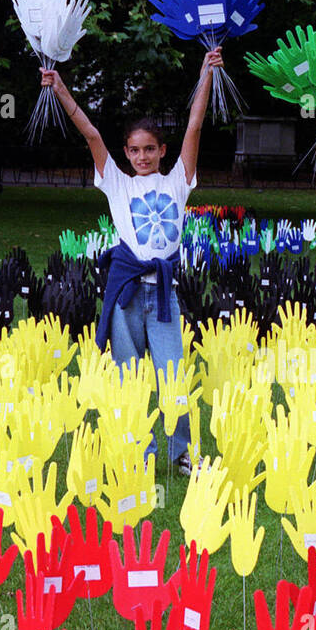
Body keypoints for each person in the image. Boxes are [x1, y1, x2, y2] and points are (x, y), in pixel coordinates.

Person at [41, 48, 223, 476]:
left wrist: (206, 74)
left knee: (172, 378)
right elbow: (90, 133)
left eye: (150, 150)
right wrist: (60, 86)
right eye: (135, 150)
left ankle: (181, 454)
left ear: (162, 151)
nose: (142, 157)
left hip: (162, 296)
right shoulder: (117, 185)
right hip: (125, 298)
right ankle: (136, 453)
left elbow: (195, 126)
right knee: (129, 379)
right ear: (126, 153)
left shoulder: (178, 180)